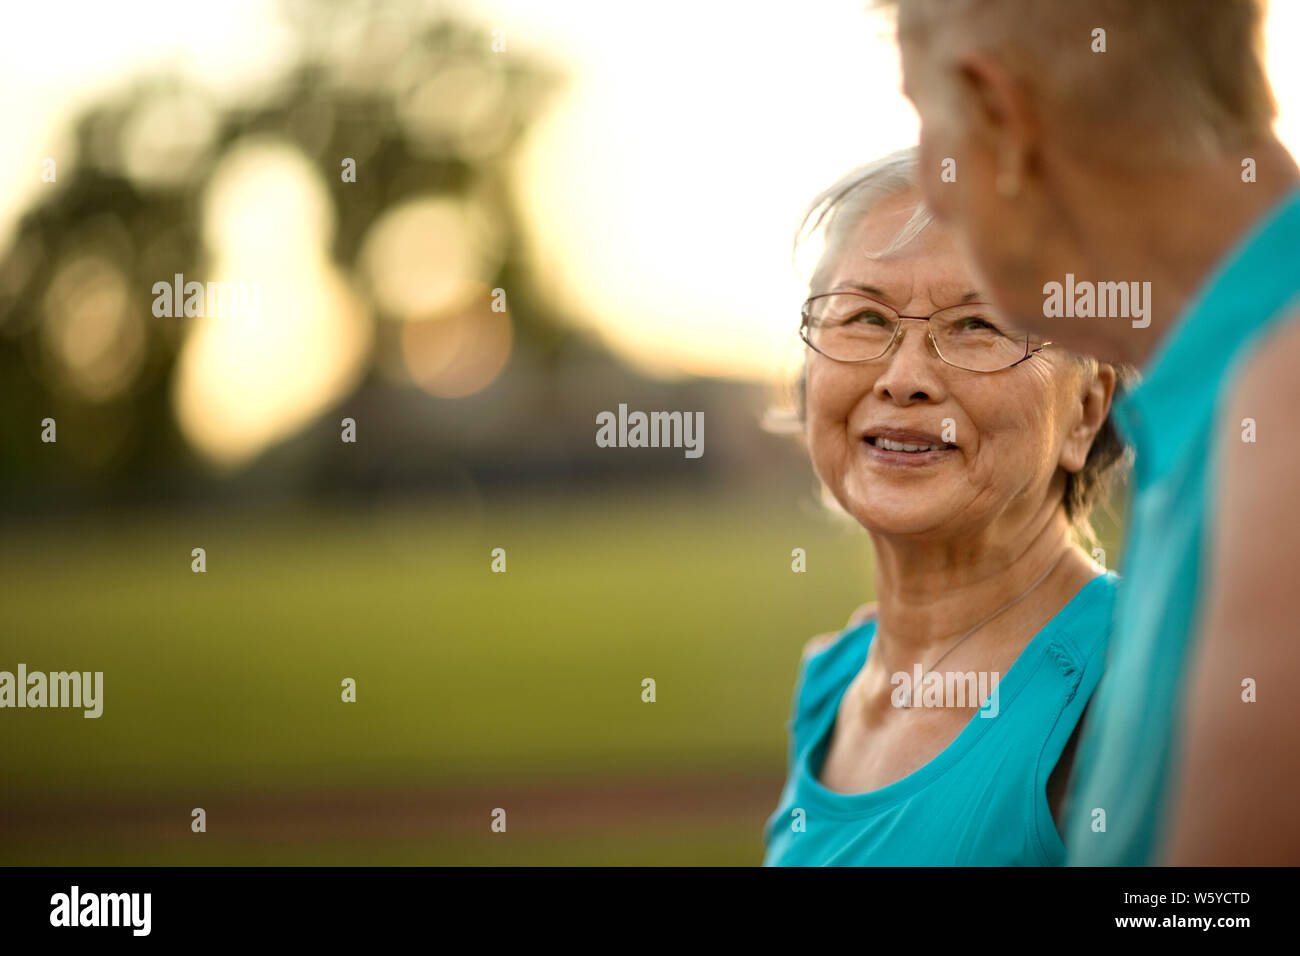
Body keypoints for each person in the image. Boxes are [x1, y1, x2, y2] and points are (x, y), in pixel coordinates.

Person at [887, 0, 1300, 863]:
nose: (926, 187)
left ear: (998, 116)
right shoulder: (1221, 390)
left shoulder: (1282, 396)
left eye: (924, 118)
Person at [762, 148, 1128, 865]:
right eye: (865, 317)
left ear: (1085, 413)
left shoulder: (1131, 687)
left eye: (978, 326)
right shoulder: (830, 683)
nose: (904, 380)